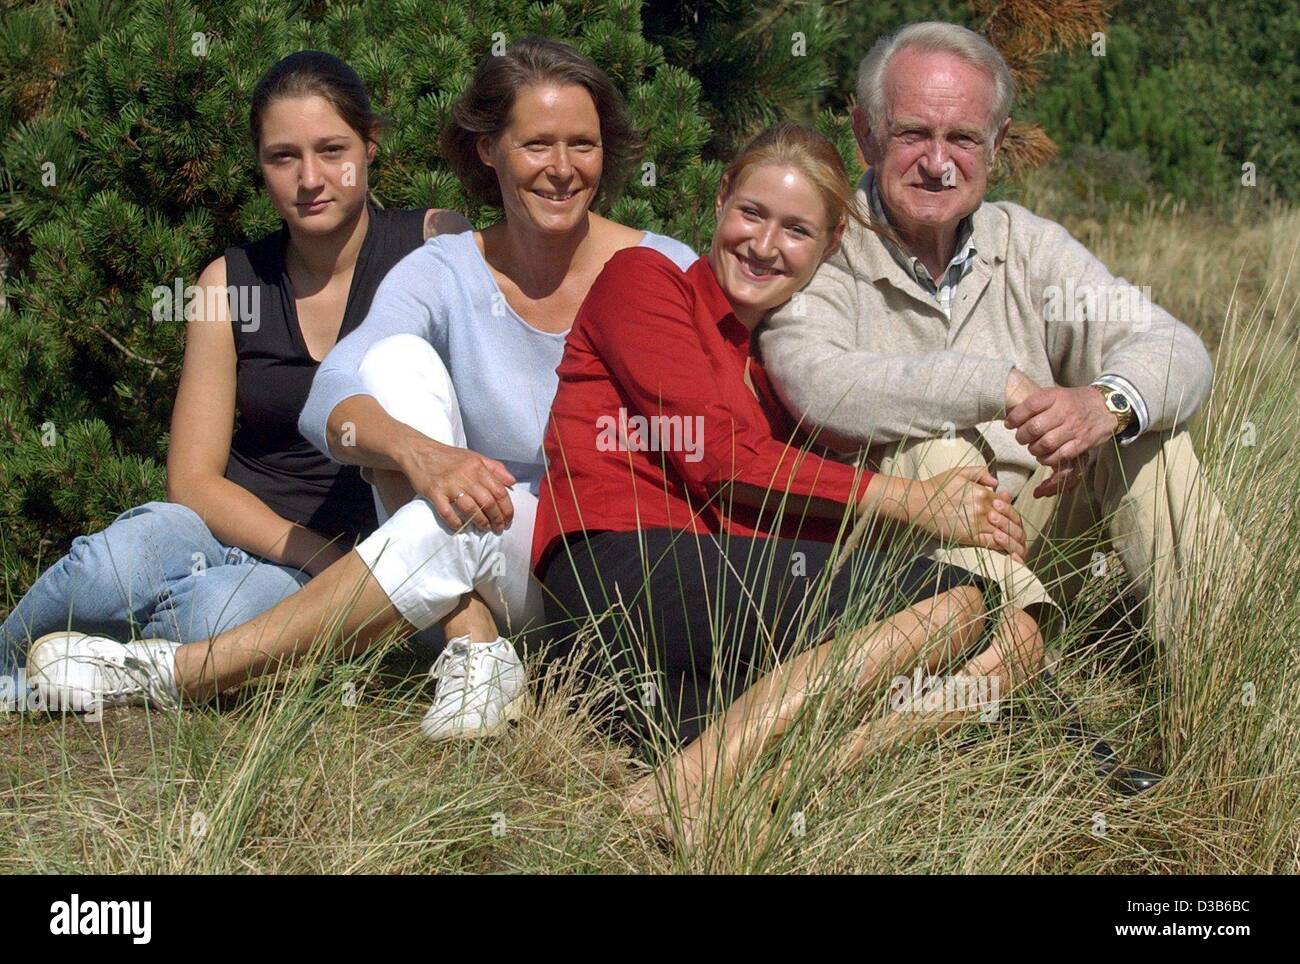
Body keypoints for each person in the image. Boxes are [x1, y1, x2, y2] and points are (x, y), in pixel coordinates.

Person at [27, 37, 696, 739]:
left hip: (610, 563)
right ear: (489, 150)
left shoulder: (663, 267)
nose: (561, 169)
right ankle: (475, 652)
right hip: (478, 542)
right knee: (393, 372)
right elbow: (334, 391)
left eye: (581, 144)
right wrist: (418, 452)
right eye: (536, 144)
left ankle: (168, 673)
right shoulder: (444, 268)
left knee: (365, 551)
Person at [534, 122, 1045, 846]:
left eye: (796, 229)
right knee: (954, 605)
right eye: (751, 213)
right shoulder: (642, 281)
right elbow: (718, 458)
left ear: (830, 244)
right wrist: (912, 505)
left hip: (713, 628)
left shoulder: (785, 367)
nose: (764, 245)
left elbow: (798, 521)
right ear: (719, 203)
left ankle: (779, 785)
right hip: (621, 572)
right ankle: (686, 788)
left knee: (1018, 639)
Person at [3, 50, 466, 709]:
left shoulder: (433, 248)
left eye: (332, 149)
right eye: (284, 157)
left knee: (216, 616)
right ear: (259, 164)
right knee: (111, 568)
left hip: (358, 565)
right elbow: (193, 479)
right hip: (242, 530)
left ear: (371, 145)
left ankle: (97, 672)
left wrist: (343, 570)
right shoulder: (227, 283)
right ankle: (8, 676)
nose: (311, 178)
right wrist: (311, 551)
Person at [759, 22, 1237, 644]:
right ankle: (1005, 670)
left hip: (1043, 531)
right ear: (865, 135)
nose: (937, 164)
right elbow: (816, 386)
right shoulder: (823, 242)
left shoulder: (1027, 244)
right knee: (934, 456)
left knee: (1148, 435)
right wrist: (995, 384)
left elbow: (1179, 349)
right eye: (912, 134)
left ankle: (1229, 679)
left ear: (996, 144)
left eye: (962, 137)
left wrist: (1104, 404)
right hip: (894, 576)